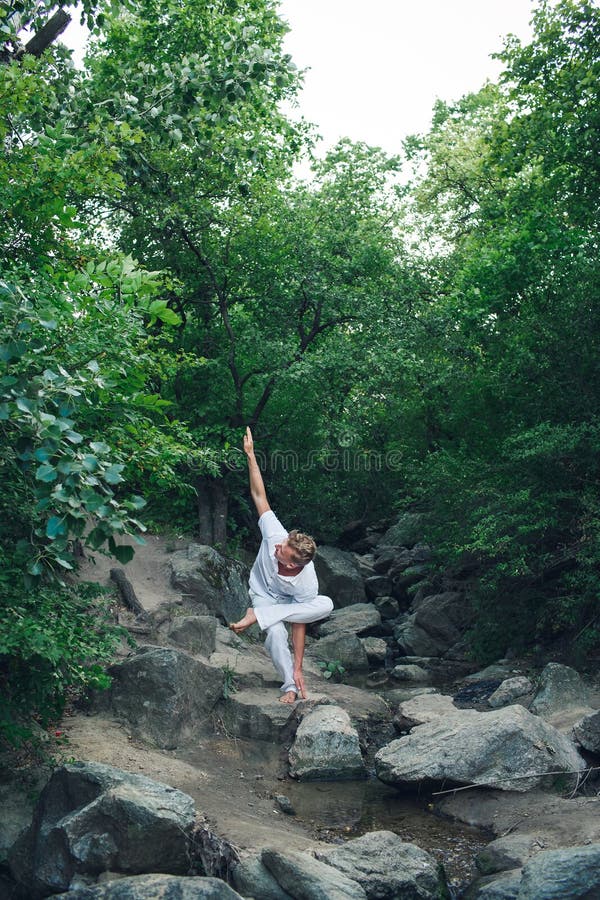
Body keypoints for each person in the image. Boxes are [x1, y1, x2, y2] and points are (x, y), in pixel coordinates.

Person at [230, 427, 334, 703]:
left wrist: (300, 665)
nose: (276, 546)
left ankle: (258, 617)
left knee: (326, 604)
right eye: (281, 544)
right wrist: (251, 456)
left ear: (291, 565)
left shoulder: (306, 581)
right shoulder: (276, 533)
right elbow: (259, 496)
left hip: (280, 606)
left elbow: (299, 622)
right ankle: (289, 686)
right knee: (276, 631)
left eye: (281, 551)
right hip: (262, 596)